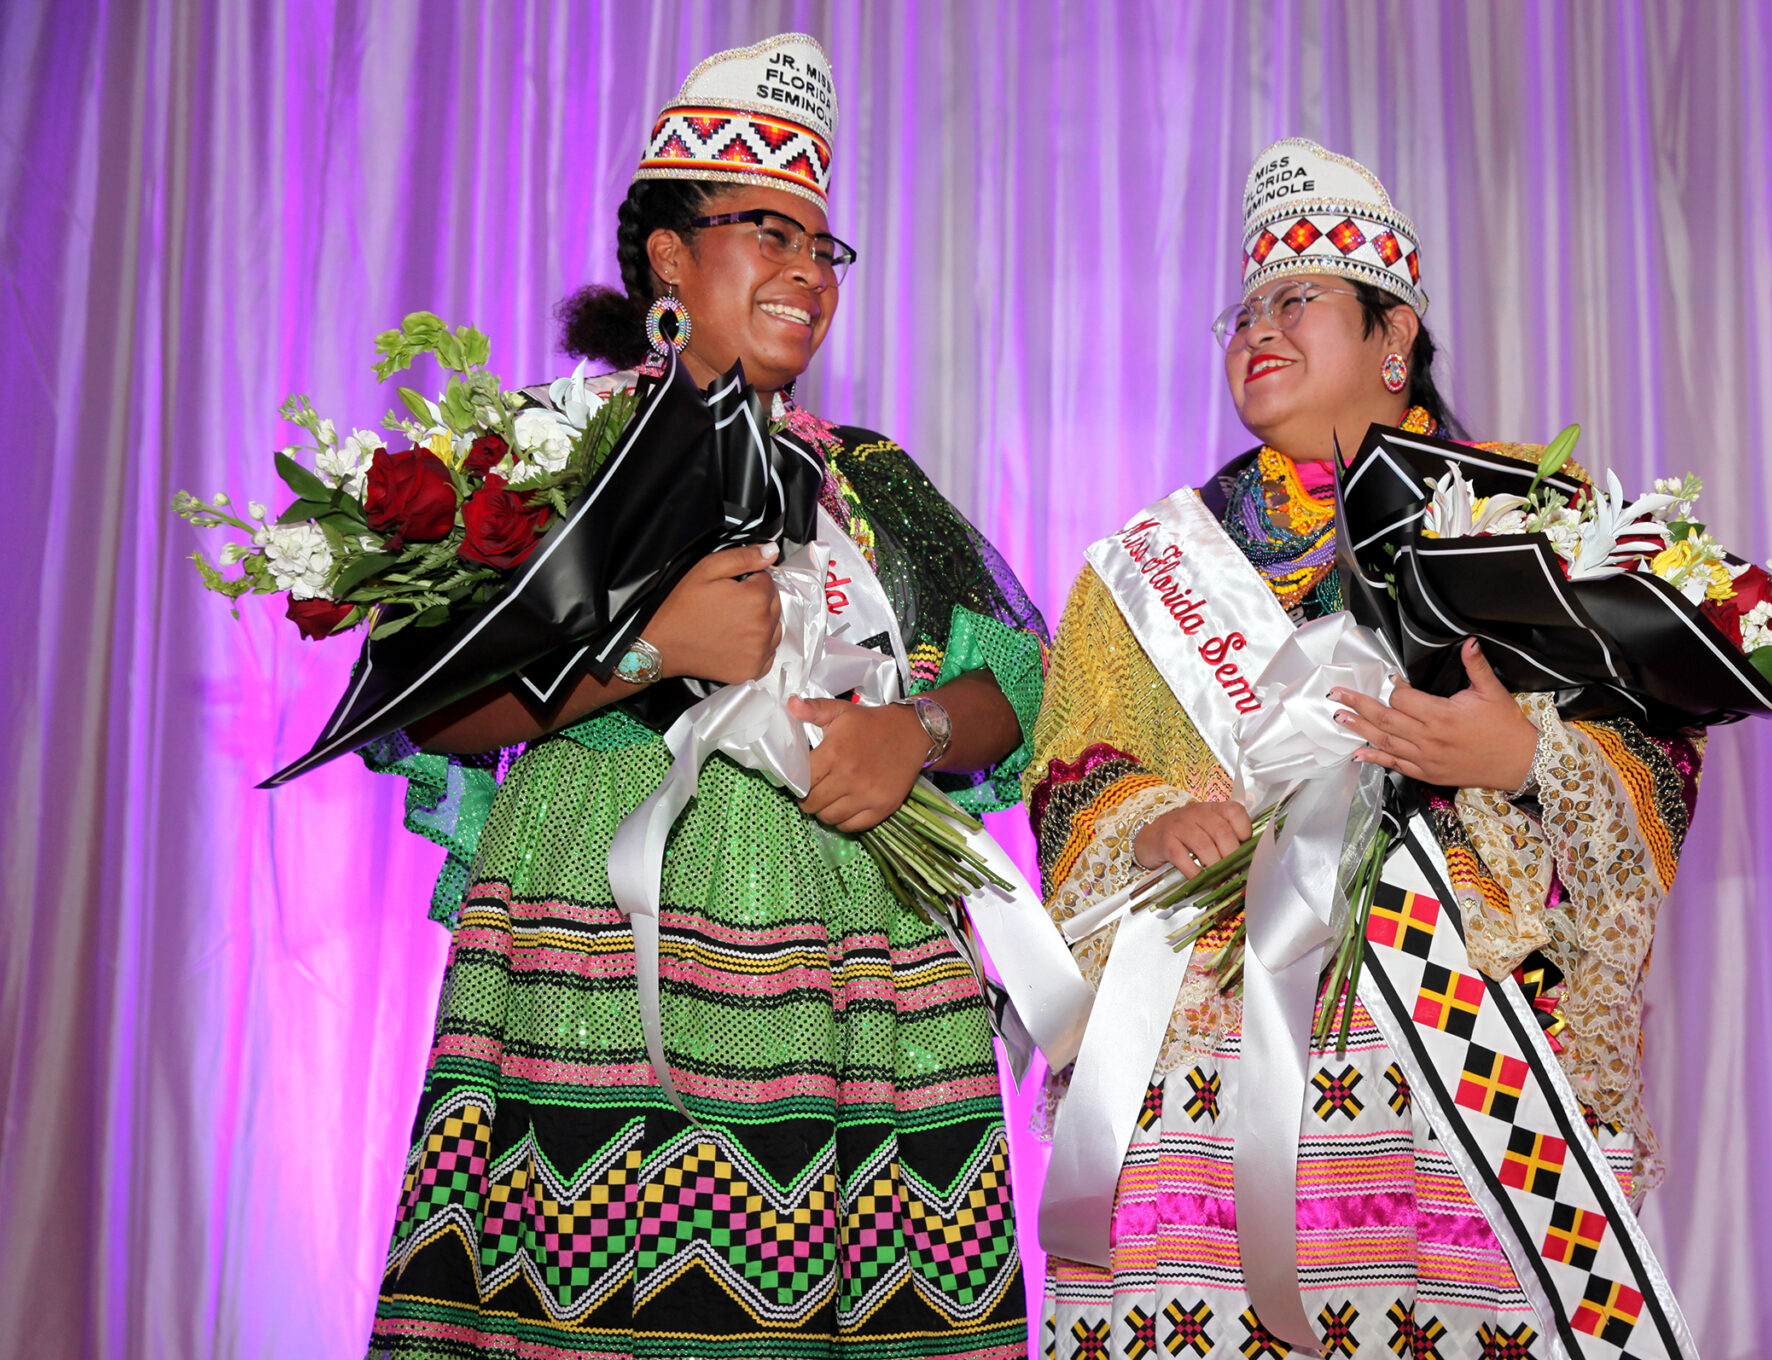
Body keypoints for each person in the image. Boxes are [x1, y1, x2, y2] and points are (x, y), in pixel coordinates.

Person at [364, 34, 1043, 1359]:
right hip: (601, 937)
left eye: (822, 245)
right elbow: (435, 706)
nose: (807, 272)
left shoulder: (869, 476)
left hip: (860, 961)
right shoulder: (560, 449)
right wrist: (650, 645)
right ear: (670, 255)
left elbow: (1013, 674)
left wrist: (918, 731)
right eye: (766, 232)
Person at [1025, 140, 1704, 1359]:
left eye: (1297, 300)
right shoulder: (1145, 568)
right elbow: (1075, 765)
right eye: (1243, 309)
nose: (1255, 330)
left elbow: (1654, 753)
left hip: (1467, 1045)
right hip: (1211, 1049)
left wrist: (1516, 756)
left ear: (1393, 335)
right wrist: (1144, 821)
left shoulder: (1521, 523)